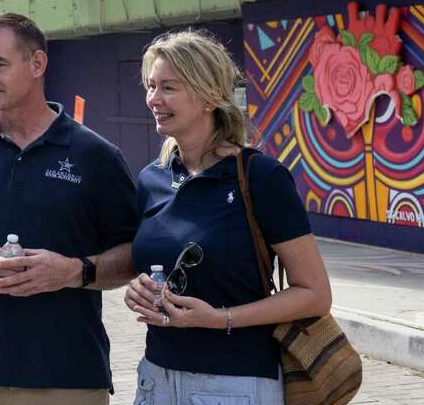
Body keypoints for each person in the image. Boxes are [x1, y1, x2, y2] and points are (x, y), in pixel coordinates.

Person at [0, 13, 139, 404]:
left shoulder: (97, 156)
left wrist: (73, 271)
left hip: (70, 378)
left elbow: (133, 254)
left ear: (37, 64)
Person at [123, 30, 332, 404]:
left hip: (235, 383)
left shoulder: (261, 177)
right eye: (151, 86)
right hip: (156, 378)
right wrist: (138, 290)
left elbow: (314, 294)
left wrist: (219, 318)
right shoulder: (152, 177)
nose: (154, 99)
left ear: (209, 96)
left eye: (168, 88)